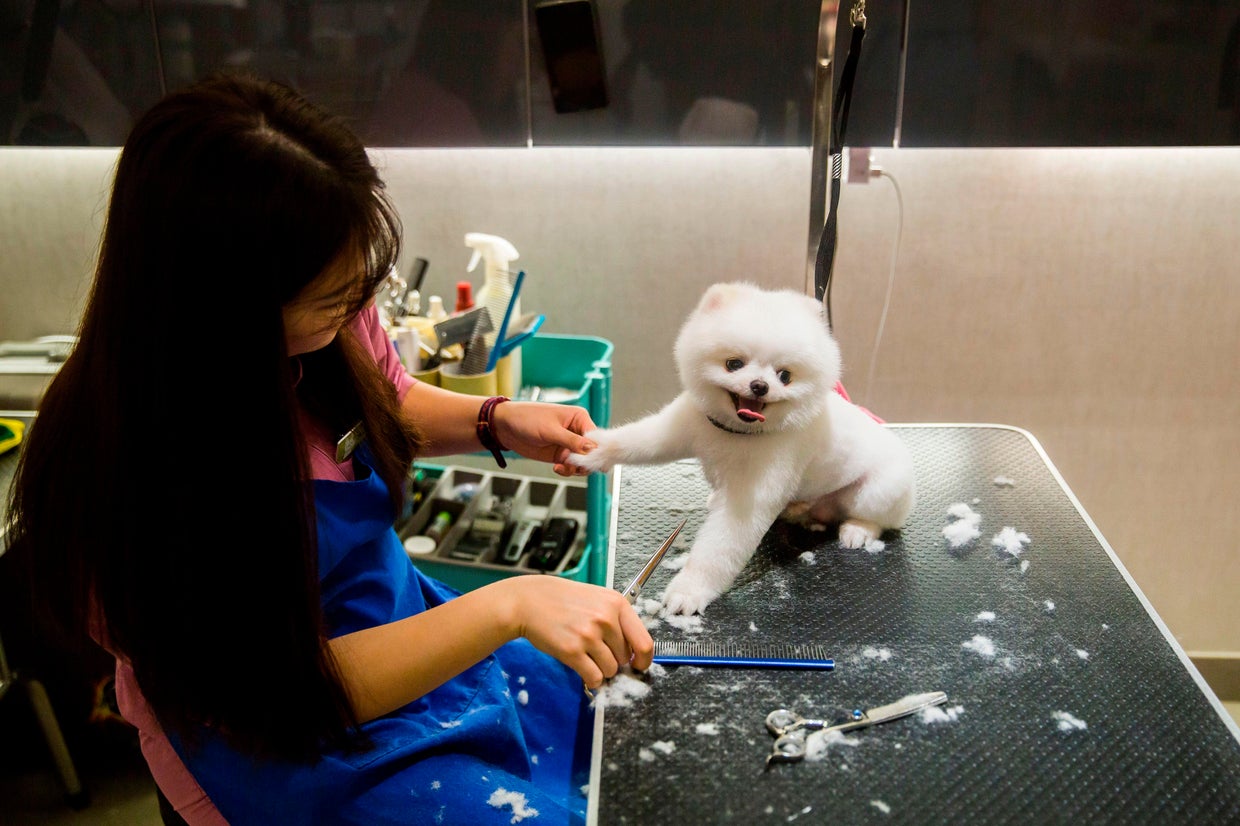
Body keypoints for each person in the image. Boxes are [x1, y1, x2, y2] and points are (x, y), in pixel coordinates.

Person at [7, 71, 652, 825]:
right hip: (275, 730)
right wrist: (506, 606)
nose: (356, 312)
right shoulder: (123, 479)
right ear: (225, 308)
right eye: (331, 301)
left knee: (610, 727)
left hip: (386, 618)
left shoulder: (325, 331)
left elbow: (387, 400)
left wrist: (494, 420)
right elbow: (286, 693)